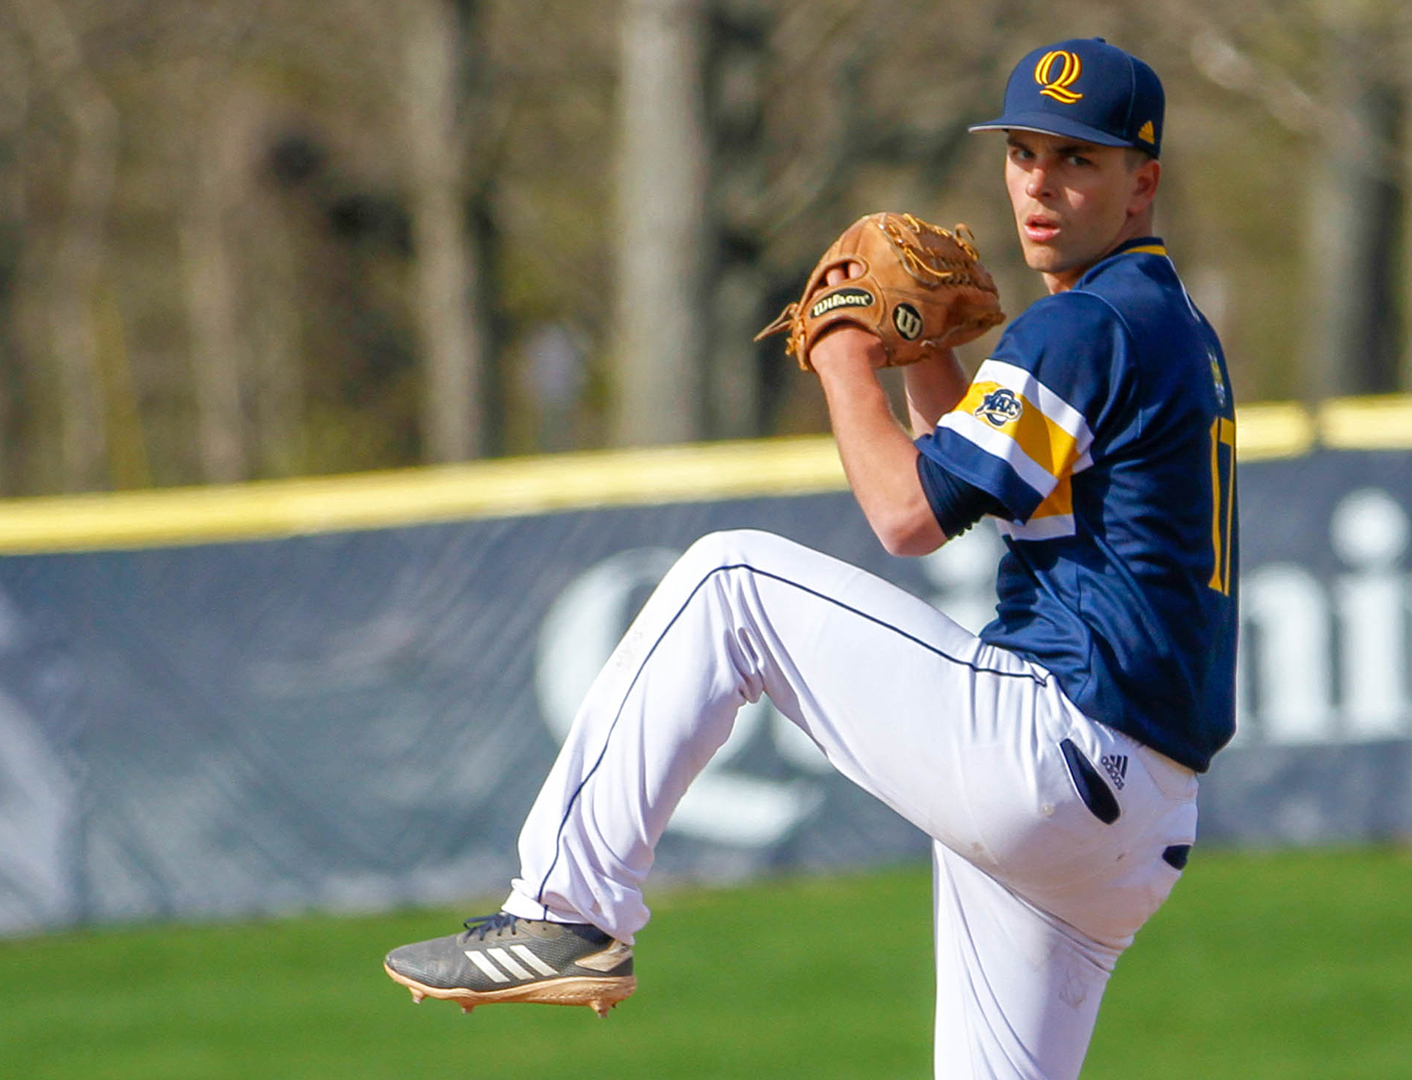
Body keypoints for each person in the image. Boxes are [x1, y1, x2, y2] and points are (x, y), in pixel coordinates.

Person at [384, 37, 1238, 1080]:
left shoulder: (1085, 322)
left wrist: (843, 356)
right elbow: (987, 483)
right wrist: (927, 352)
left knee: (727, 582)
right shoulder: (1159, 324)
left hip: (1055, 748)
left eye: (1077, 160)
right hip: (1136, 820)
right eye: (1022, 154)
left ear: (1142, 180)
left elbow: (906, 516)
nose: (1040, 186)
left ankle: (565, 913)